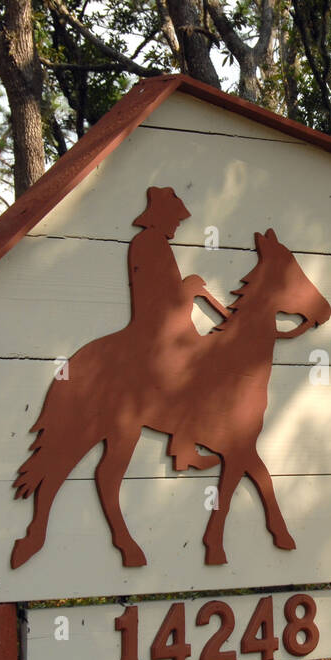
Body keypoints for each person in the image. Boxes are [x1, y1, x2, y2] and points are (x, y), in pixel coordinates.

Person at [127, 186, 225, 472]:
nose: (177, 225)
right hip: (158, 330)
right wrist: (187, 290)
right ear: (161, 216)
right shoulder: (149, 244)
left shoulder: (154, 243)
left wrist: (186, 289)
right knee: (202, 368)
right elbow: (156, 297)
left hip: (171, 326)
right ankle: (184, 448)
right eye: (176, 219)